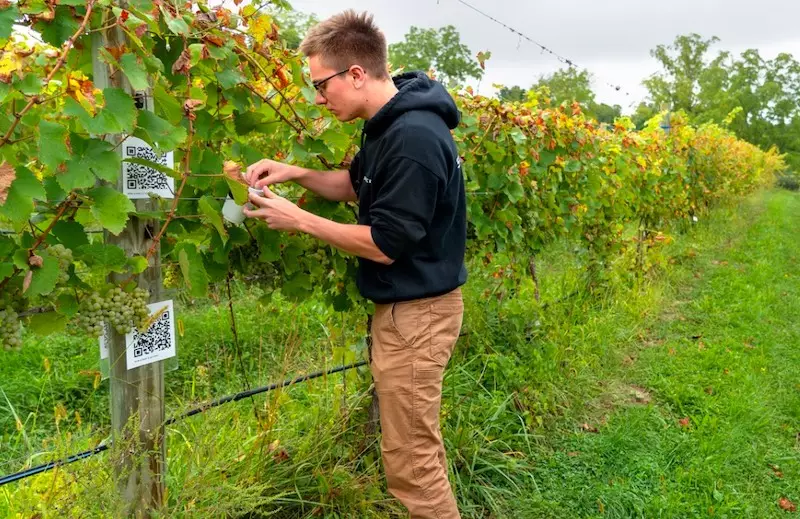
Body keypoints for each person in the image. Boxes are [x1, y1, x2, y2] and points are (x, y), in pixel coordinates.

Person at [242, 9, 467, 519]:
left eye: (322, 85)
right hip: (409, 310)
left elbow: (386, 243)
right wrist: (295, 172)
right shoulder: (387, 126)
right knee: (412, 449)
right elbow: (353, 186)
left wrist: (300, 221)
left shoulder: (413, 139)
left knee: (412, 461)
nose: (318, 99)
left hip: (418, 316)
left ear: (356, 74)